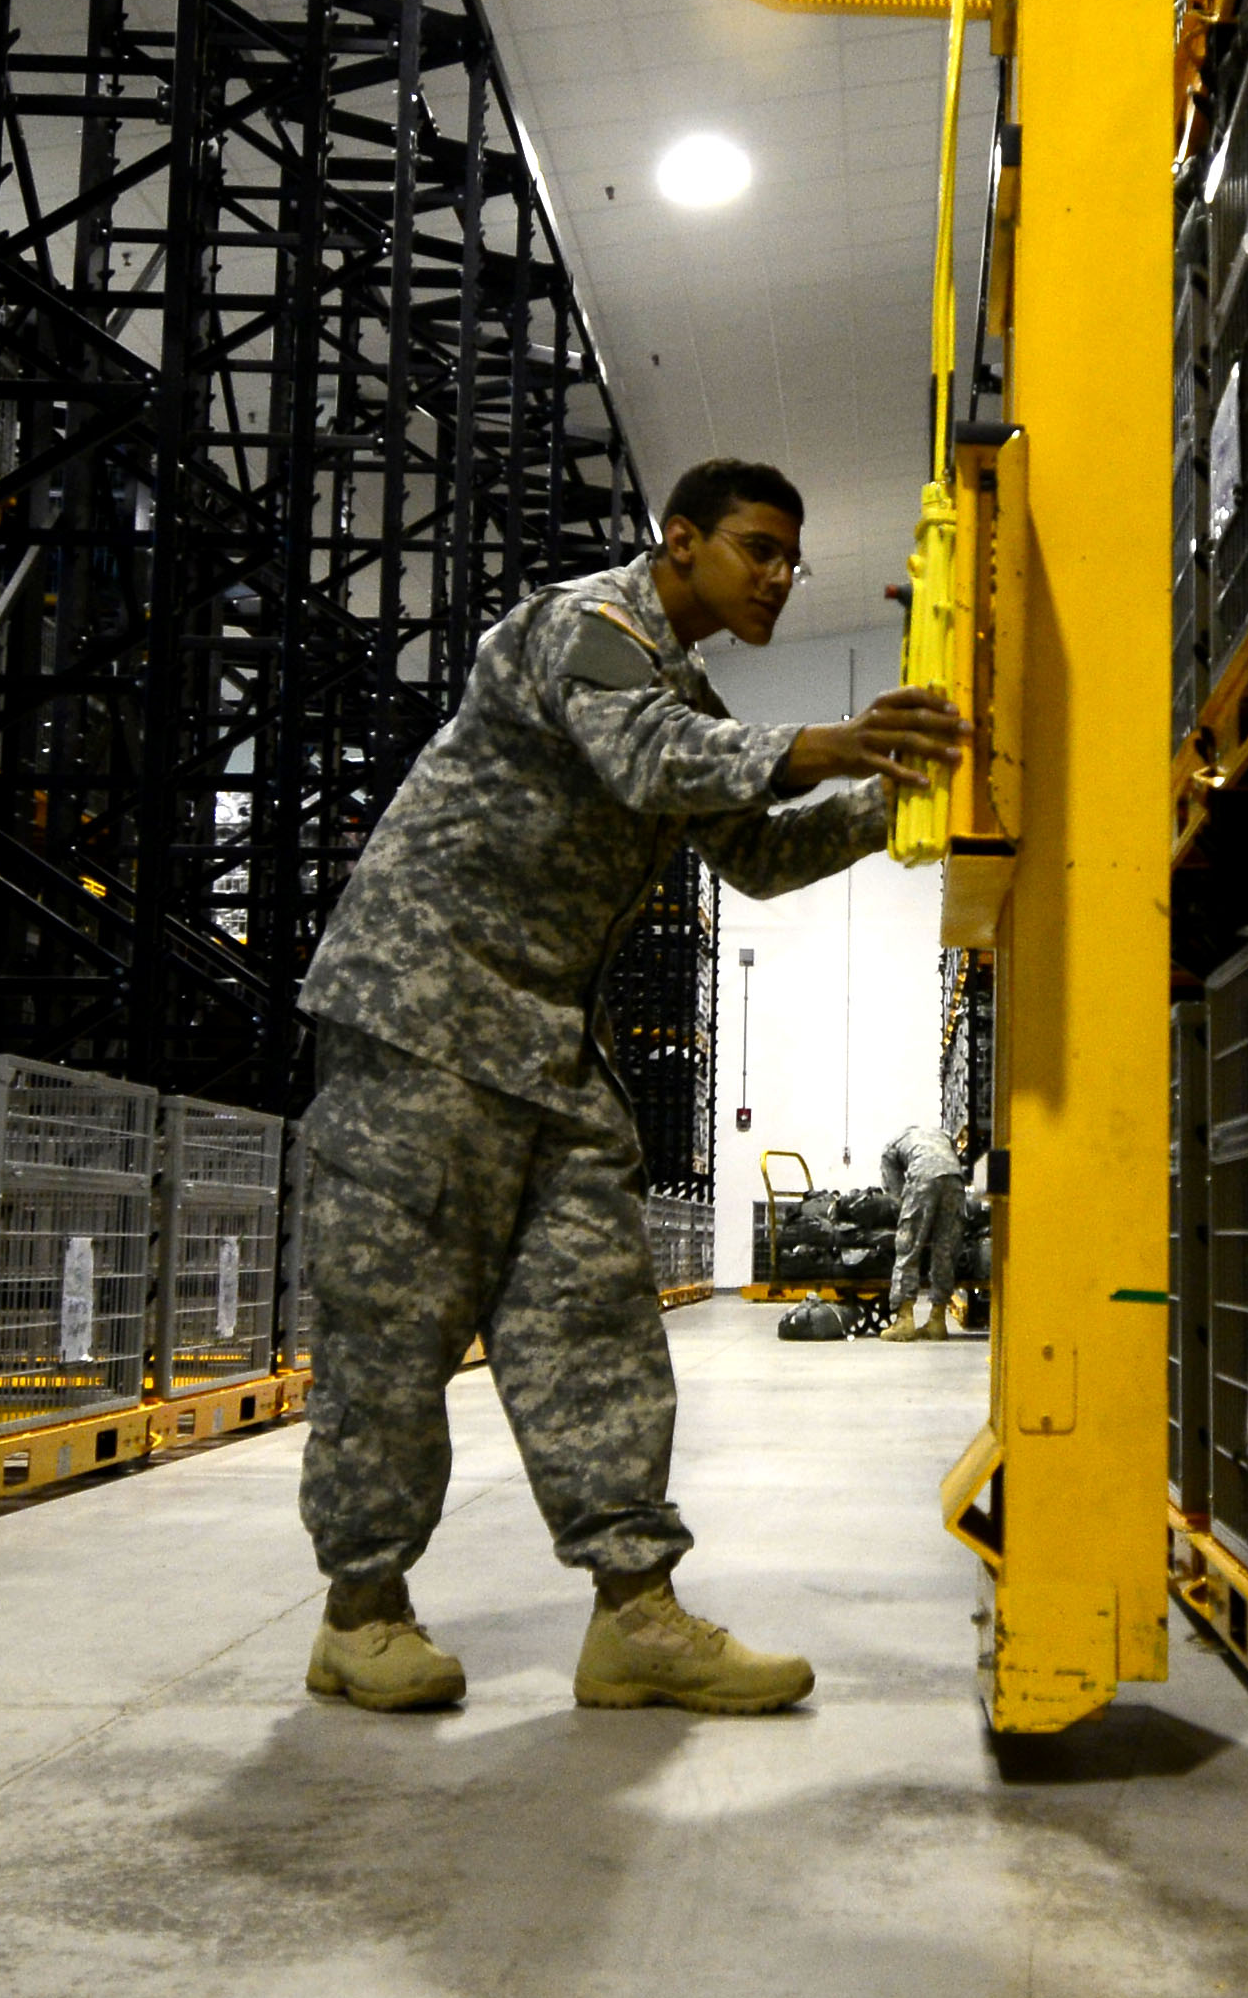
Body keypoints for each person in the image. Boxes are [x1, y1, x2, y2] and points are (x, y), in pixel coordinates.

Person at [293, 458, 968, 1716]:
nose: (777, 575)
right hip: (419, 1015)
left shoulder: (688, 689)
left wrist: (896, 798)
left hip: (546, 1044)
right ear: (679, 543)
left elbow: (755, 854)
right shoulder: (584, 630)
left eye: (790, 560)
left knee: (595, 1322)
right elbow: (652, 754)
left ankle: (634, 1615)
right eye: (756, 548)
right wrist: (820, 739)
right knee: (393, 1331)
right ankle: (361, 1613)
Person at [872, 1122, 966, 1342]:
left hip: (923, 1178)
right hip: (955, 1180)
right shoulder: (942, 1136)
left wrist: (907, 1217)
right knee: (944, 1250)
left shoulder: (891, 1147)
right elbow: (952, 1160)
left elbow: (895, 1194)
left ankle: (904, 1321)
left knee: (909, 1246)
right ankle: (937, 1321)